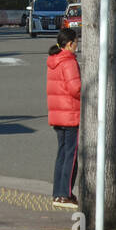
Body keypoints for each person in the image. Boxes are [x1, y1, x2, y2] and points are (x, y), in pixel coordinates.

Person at [46, 28, 81, 208]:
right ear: (69, 44)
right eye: (76, 42)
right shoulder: (69, 62)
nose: (77, 45)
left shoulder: (54, 60)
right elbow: (75, 88)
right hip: (70, 114)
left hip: (57, 114)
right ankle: (65, 194)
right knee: (71, 156)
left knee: (61, 154)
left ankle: (58, 193)